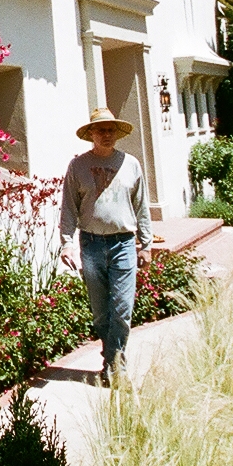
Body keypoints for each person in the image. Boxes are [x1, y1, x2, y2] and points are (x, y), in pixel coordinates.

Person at [59, 108, 152, 383]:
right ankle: (111, 361)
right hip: (92, 244)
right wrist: (67, 243)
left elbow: (141, 206)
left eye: (111, 130)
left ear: (117, 133)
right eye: (101, 130)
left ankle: (116, 363)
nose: (107, 134)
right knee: (101, 312)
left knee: (122, 308)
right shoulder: (78, 166)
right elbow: (69, 207)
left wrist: (146, 244)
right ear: (91, 133)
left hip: (123, 243)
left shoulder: (130, 164)